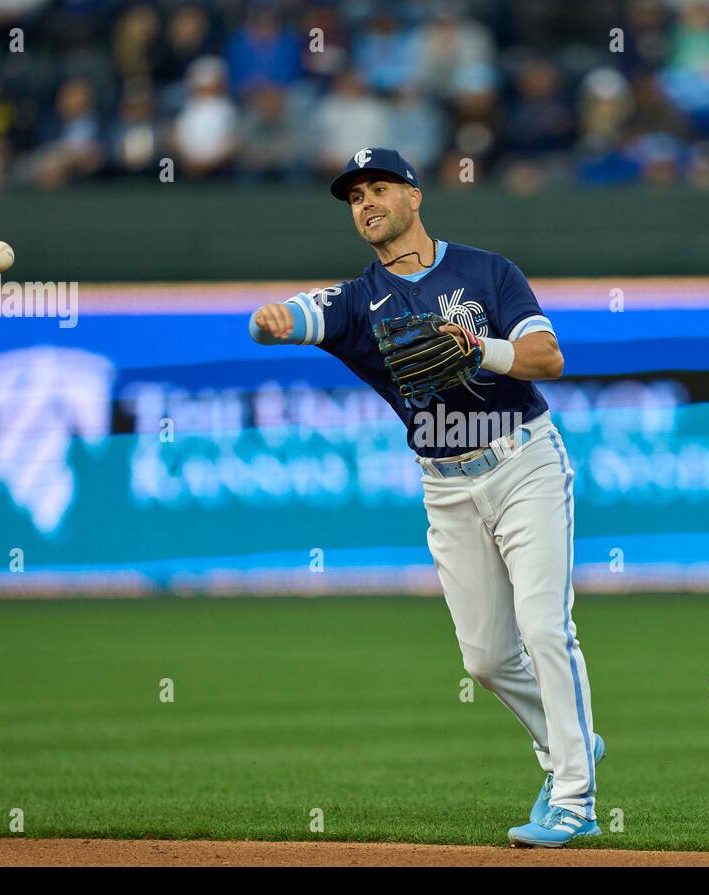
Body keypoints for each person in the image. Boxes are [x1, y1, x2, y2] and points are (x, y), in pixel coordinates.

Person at [248, 147, 605, 847]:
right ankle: (575, 744)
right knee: (485, 659)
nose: (366, 203)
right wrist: (269, 321)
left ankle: (573, 797)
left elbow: (549, 359)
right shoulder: (357, 304)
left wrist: (478, 351)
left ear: (415, 197)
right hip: (444, 485)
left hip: (522, 460)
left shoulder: (487, 271)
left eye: (379, 188)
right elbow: (281, 320)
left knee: (544, 628)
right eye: (355, 197)